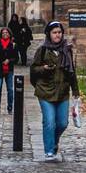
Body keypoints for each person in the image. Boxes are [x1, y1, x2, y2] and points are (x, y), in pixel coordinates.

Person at [30, 20, 79, 161]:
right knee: (49, 121)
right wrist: (43, 70)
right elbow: (33, 69)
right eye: (54, 33)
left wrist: (76, 91)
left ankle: (54, 139)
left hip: (62, 92)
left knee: (63, 123)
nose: (57, 35)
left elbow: (72, 72)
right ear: (49, 34)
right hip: (45, 91)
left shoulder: (66, 50)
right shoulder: (43, 50)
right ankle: (49, 151)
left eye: (59, 32)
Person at [0, 25, 15, 115]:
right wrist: (1, 61)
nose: (5, 34)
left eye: (6, 33)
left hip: (9, 69)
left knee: (10, 89)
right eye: (3, 33)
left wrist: (9, 60)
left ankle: (10, 107)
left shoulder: (12, 44)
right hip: (0, 69)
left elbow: (15, 57)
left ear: (9, 34)